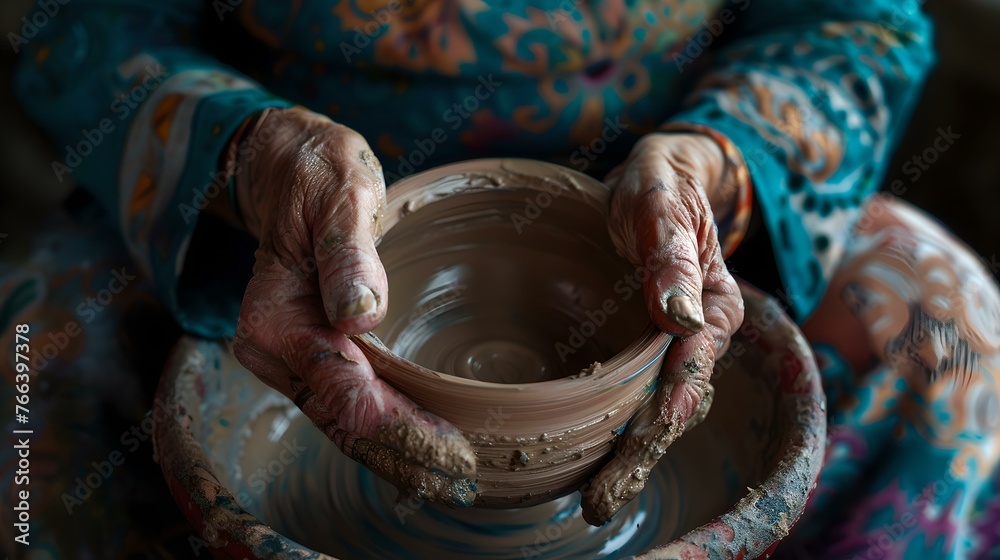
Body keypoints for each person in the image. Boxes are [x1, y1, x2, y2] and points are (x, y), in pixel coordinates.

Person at [2, 0, 998, 557]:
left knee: (951, 329)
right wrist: (240, 147)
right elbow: (75, 24)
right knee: (25, 354)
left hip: (670, 198)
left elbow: (858, 22)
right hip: (272, 211)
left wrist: (722, 162)